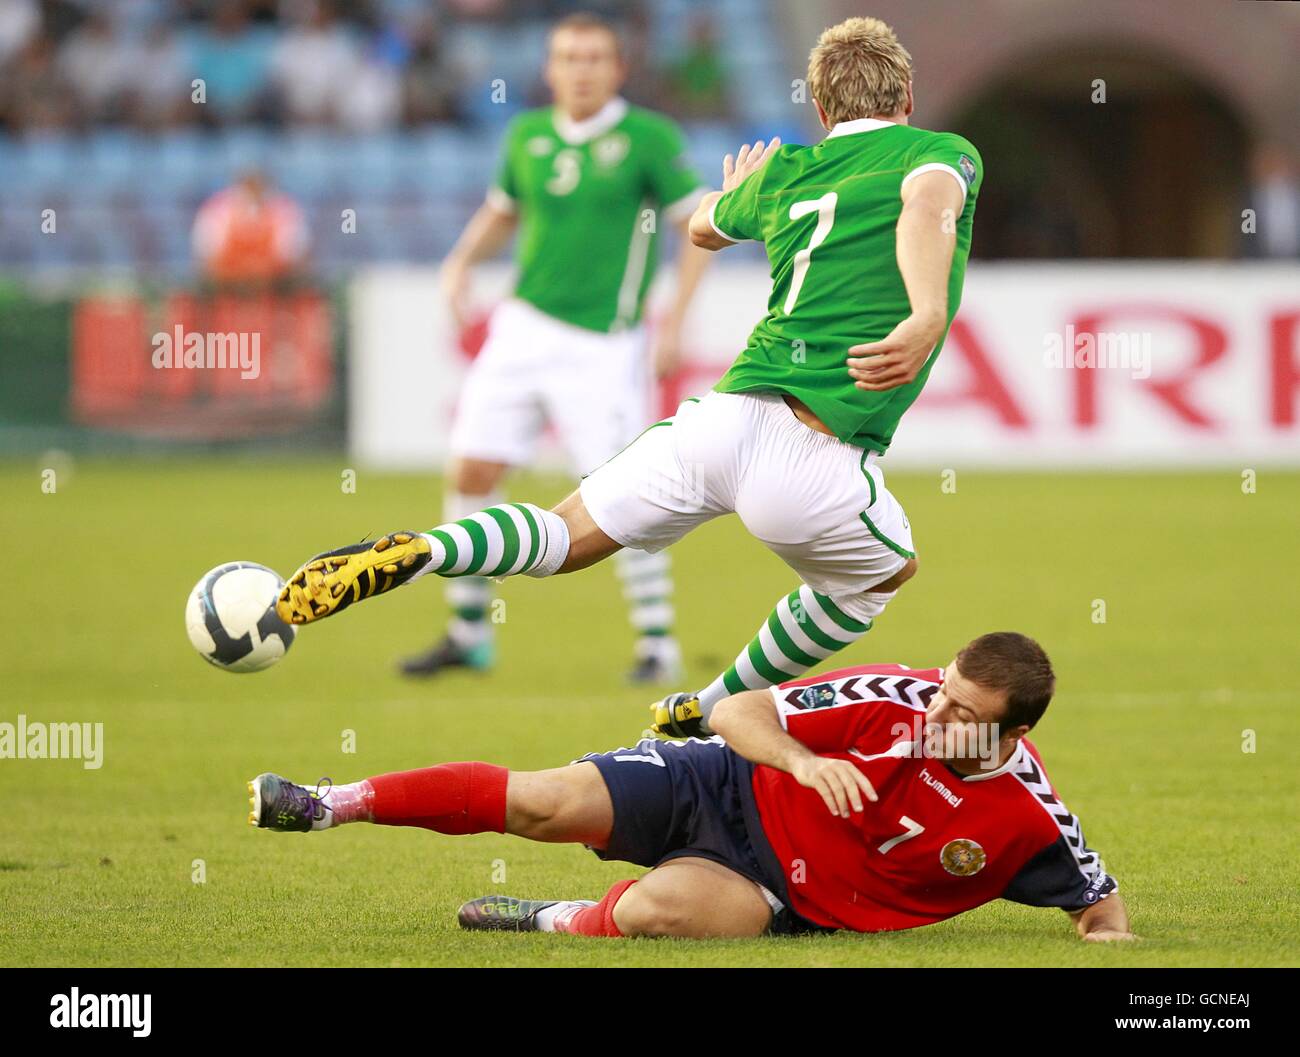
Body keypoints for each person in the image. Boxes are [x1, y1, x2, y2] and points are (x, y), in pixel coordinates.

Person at [274, 16, 981, 733]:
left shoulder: (785, 171)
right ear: (908, 95)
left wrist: (735, 193)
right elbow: (927, 208)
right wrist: (926, 314)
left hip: (722, 420)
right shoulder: (940, 154)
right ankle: (709, 707)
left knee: (562, 534)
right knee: (880, 578)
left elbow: (702, 227)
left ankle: (428, 550)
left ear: (822, 110)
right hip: (813, 454)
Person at [248, 632, 1132, 941]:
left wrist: (1107, 940)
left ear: (1013, 735)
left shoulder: (1030, 816)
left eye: (962, 712)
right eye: (943, 689)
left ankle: (553, 917)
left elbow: (1099, 905)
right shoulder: (893, 695)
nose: (935, 712)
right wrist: (800, 761)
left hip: (775, 892)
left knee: (654, 912)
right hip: (722, 781)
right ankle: (329, 803)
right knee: (544, 802)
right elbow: (737, 709)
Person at [398, 11, 713, 685]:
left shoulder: (648, 137)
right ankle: (469, 633)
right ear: (549, 69)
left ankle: (657, 644)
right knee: (471, 471)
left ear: (618, 69)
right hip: (520, 328)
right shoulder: (528, 135)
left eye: (595, 58)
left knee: (624, 494)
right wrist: (459, 262)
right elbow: (503, 210)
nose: (581, 70)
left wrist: (675, 323)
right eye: (569, 58)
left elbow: (697, 230)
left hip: (603, 343)